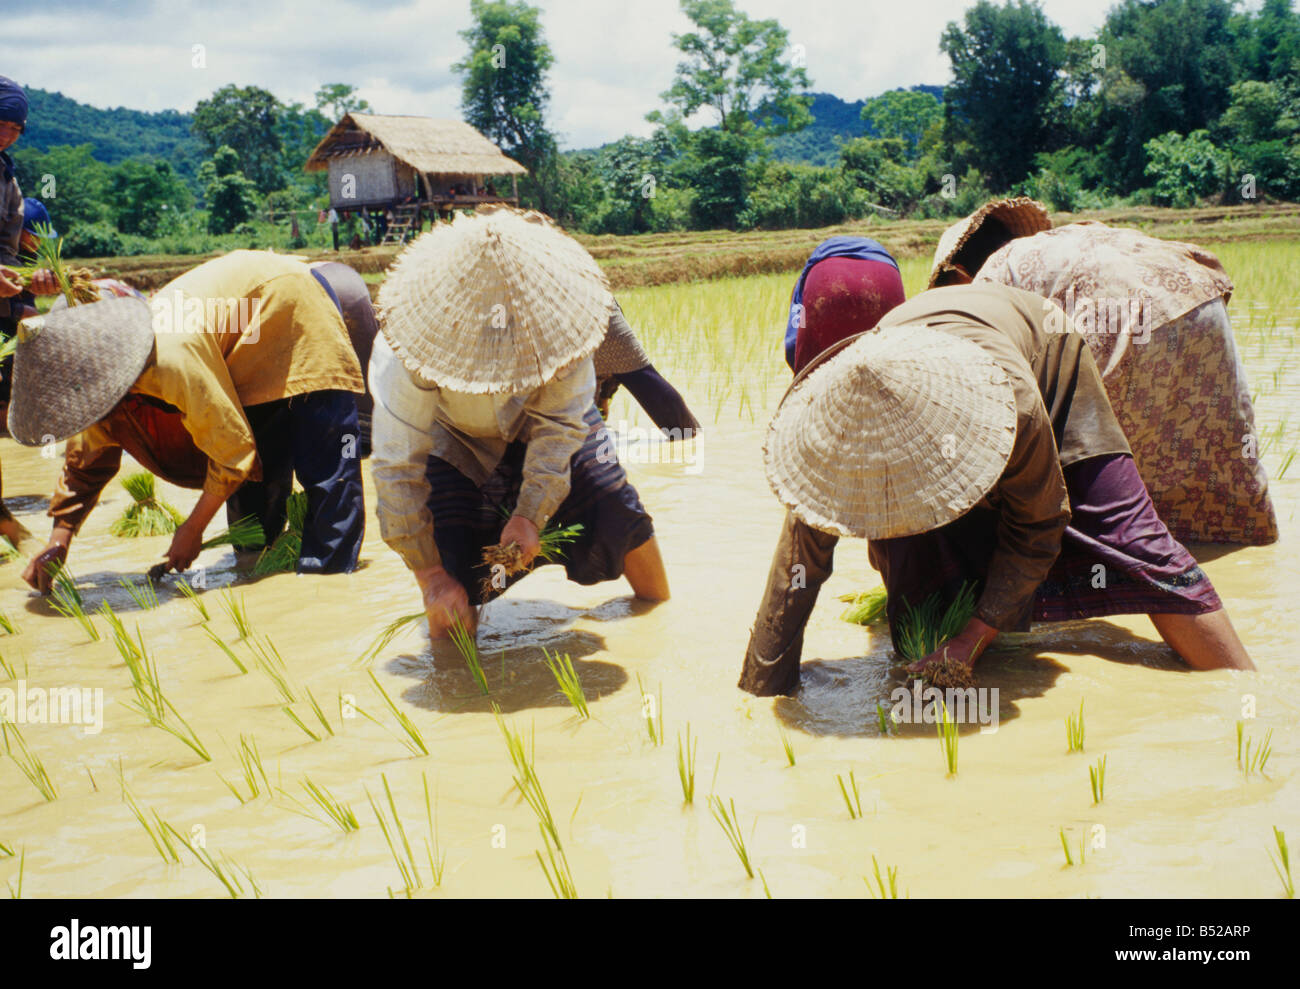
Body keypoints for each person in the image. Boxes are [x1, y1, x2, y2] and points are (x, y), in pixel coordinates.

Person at [739, 282, 1253, 698]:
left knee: (1127, 532)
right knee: (912, 552)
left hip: (1043, 352)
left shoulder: (1017, 406)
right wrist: (764, 690)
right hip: (907, 350)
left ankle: (1245, 686)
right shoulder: (832, 437)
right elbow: (795, 574)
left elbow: (1040, 521)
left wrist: (971, 639)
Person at [370, 206, 670, 639]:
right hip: (454, 438)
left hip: (540, 426)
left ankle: (660, 622)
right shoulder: (405, 348)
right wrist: (430, 575)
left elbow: (561, 427)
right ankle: (456, 669)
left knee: (612, 501)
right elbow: (397, 469)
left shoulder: (563, 322)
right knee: (450, 554)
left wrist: (530, 515)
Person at [13, 250, 368, 591]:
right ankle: (259, 576)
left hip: (288, 297)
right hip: (235, 348)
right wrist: (58, 543)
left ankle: (330, 585)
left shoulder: (169, 357)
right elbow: (83, 468)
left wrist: (193, 527)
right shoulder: (95, 388)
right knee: (256, 505)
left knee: (326, 470)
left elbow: (232, 451)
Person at [930, 200, 1276, 546]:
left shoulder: (988, 280)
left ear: (959, 274)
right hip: (1198, 300)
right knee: (1208, 446)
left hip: (1128, 319)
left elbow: (1001, 396)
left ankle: (1125, 563)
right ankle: (1238, 547)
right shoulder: (1051, 246)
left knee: (1094, 474)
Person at [782, 236, 907, 374]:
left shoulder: (802, 286)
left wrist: (801, 372)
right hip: (887, 276)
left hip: (825, 280)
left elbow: (792, 344)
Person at [592, 300, 700, 435]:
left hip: (580, 330)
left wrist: (604, 397)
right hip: (605, 317)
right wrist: (604, 397)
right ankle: (692, 438)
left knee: (582, 419)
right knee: (643, 377)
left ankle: (689, 438)